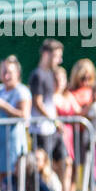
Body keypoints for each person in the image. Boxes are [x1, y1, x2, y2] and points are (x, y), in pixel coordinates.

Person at [0, 56, 32, 191]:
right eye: (3, 71)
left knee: (14, 176)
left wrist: (2, 105)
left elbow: (24, 115)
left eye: (9, 72)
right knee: (0, 175)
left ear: (17, 73)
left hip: (14, 141)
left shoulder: (22, 91)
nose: (6, 75)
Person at [27, 39, 66, 171]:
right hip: (41, 130)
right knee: (42, 168)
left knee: (65, 163)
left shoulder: (49, 73)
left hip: (51, 129)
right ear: (46, 54)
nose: (59, 61)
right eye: (56, 56)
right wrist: (55, 120)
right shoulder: (37, 75)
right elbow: (38, 103)